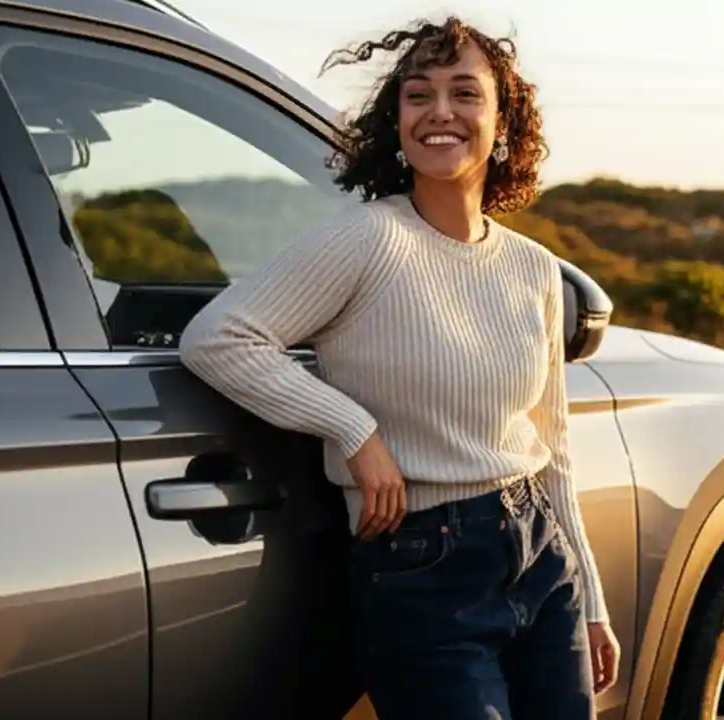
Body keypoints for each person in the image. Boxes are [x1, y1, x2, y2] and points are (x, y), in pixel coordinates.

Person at [178, 15, 619, 720]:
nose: (440, 112)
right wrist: (354, 431)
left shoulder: (533, 268)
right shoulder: (367, 239)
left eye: (465, 93)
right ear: (398, 122)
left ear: (502, 124)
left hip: (542, 558)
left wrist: (590, 598)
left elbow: (553, 452)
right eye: (419, 95)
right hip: (422, 565)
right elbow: (218, 337)